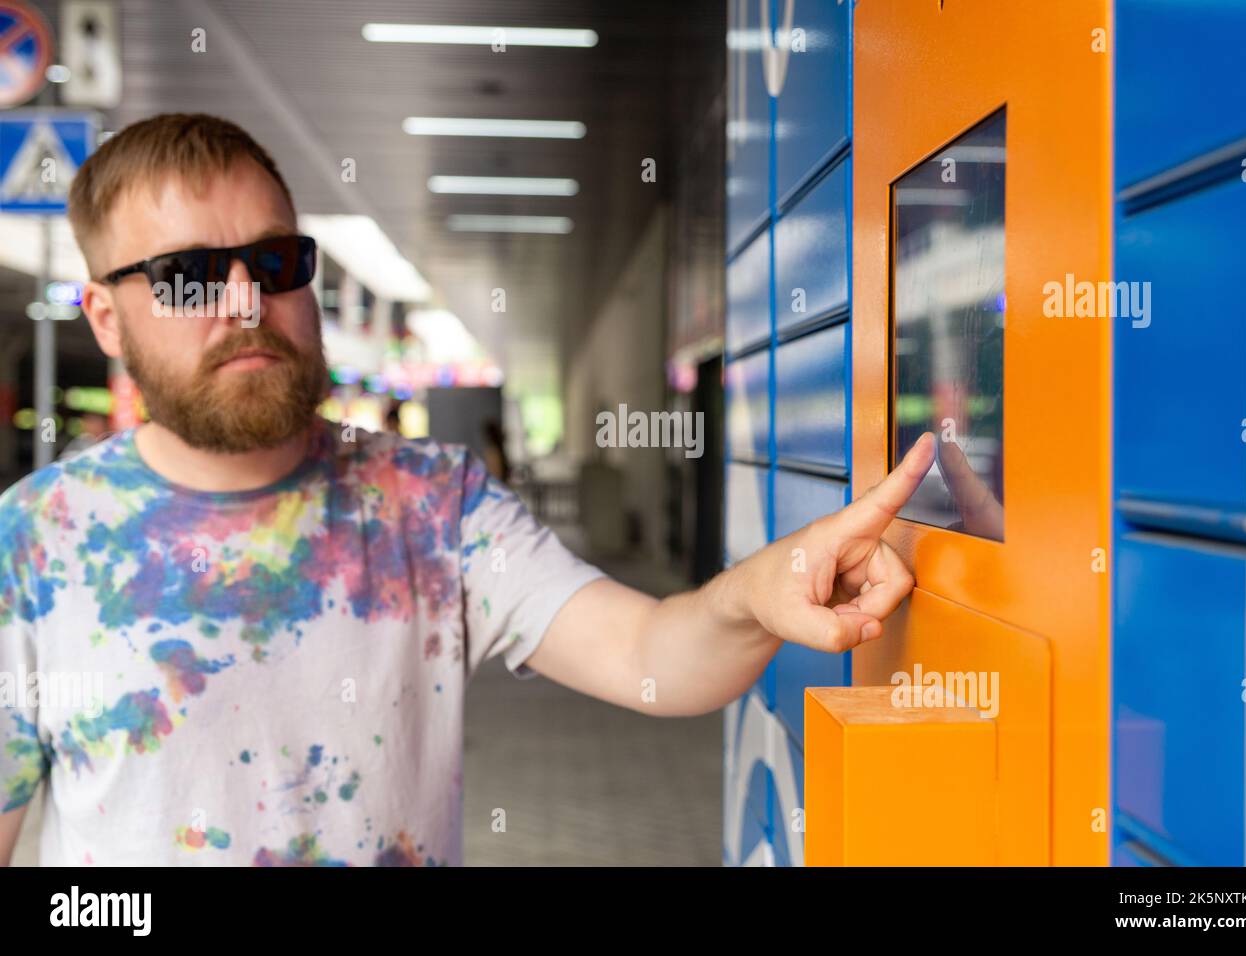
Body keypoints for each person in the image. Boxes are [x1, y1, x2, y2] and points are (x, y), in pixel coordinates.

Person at [0, 113, 932, 866]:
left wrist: (760, 593)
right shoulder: (32, 544)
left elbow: (654, 655)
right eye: (190, 276)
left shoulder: (433, 506)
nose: (245, 303)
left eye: (275, 264)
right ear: (105, 318)